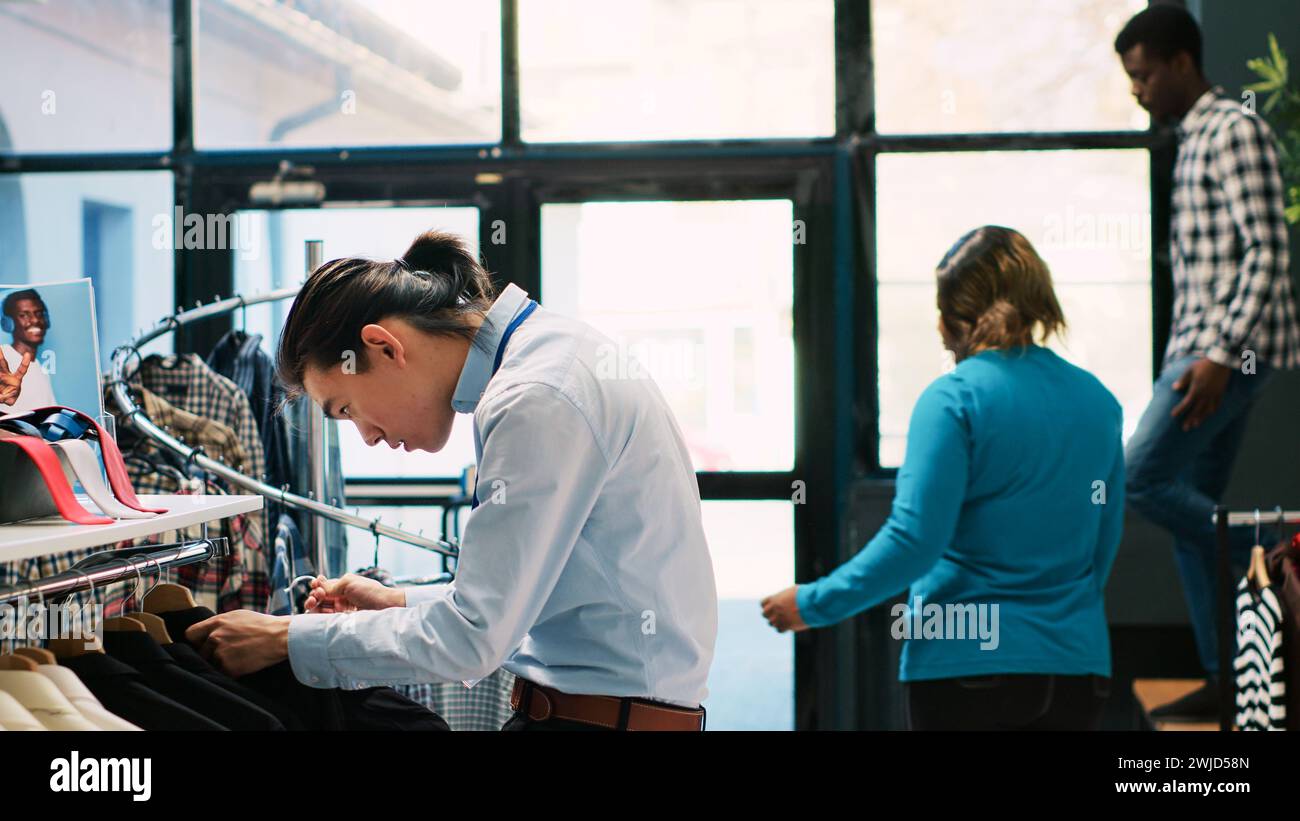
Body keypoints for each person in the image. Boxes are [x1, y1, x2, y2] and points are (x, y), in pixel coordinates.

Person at [186, 230, 719, 731]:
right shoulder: (548, 360)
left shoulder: (534, 396)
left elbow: (473, 638)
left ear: (384, 346)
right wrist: (398, 603)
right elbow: (526, 598)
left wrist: (286, 636)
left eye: (347, 409)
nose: (368, 437)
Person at [761, 226, 1124, 730]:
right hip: (1076, 673)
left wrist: (814, 604)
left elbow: (915, 541)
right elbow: (1100, 552)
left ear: (954, 318)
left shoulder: (952, 399)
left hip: (968, 671)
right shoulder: (1098, 402)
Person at [1115, 6, 1300, 720]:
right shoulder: (1194, 138)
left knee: (1139, 477)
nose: (1137, 90)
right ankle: (1226, 678)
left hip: (1223, 351)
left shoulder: (1234, 129)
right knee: (1193, 526)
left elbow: (1268, 248)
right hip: (1204, 347)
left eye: (1143, 74)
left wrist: (1220, 356)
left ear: (1181, 63)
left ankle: (1278, 541)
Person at [1, 288, 56, 412]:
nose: (35, 320)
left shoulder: (41, 369)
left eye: (39, 314)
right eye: (24, 315)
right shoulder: (2, 358)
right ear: (8, 323)